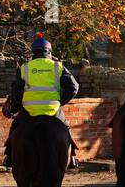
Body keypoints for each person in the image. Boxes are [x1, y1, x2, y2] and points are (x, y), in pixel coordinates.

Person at [4, 33, 80, 169]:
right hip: (52, 111)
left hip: (29, 111)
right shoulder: (58, 67)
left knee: (15, 127)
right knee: (65, 128)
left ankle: (9, 156)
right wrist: (60, 101)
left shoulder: (25, 68)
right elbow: (74, 88)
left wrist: (23, 102)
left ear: (33, 52)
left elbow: (16, 93)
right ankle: (73, 157)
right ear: (49, 51)